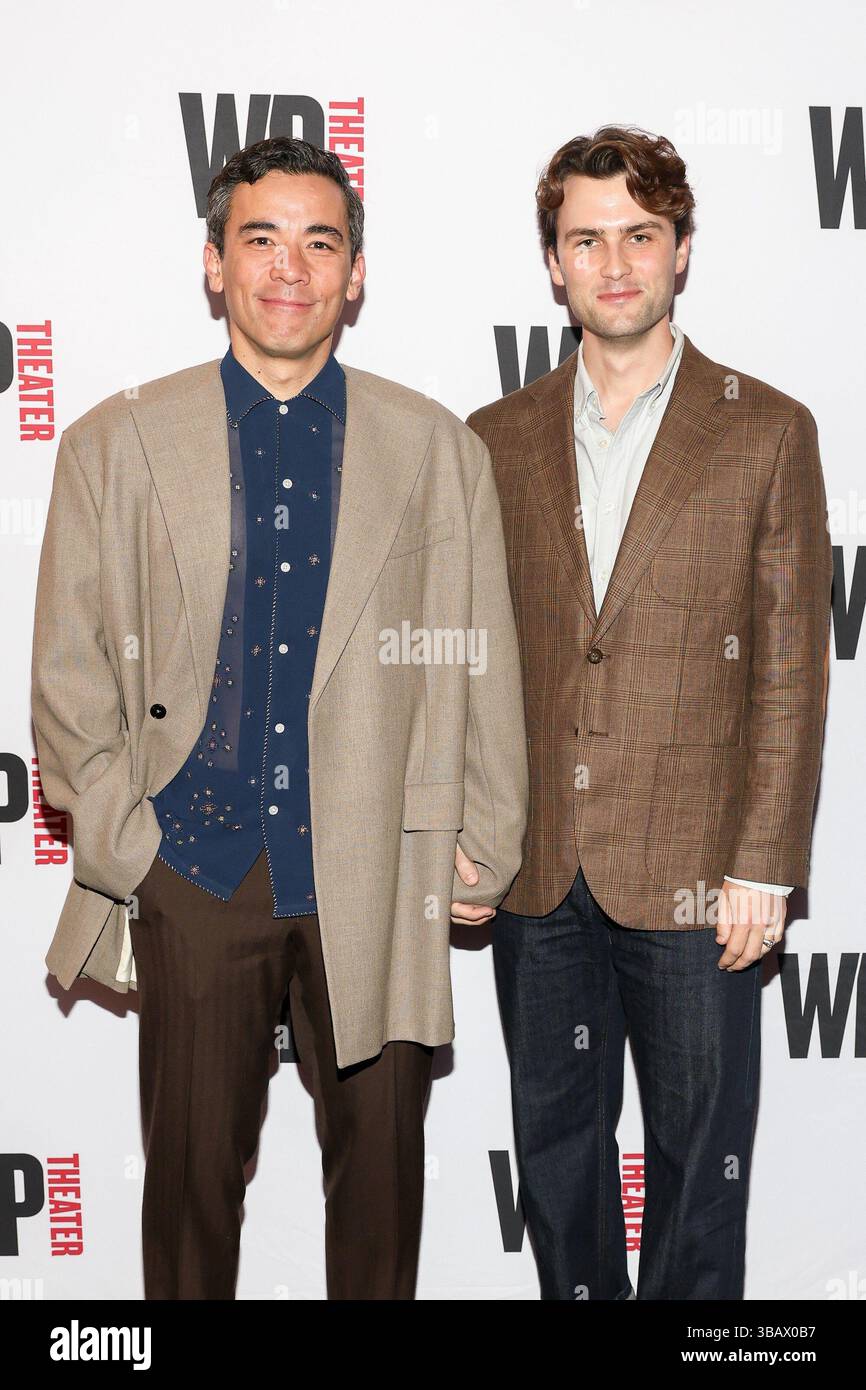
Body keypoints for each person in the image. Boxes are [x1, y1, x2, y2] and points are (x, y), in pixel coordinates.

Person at [31, 136, 527, 1300]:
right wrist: (128, 840)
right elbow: (67, 672)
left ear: (355, 273)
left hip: (384, 868)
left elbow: (479, 653)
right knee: (192, 1190)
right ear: (214, 264)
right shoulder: (115, 442)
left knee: (380, 1197)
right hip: (197, 869)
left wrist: (485, 835)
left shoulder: (437, 450)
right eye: (259, 239)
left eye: (321, 242)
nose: (289, 268)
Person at [466, 124, 832, 1300]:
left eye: (639, 235)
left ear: (679, 251)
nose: (613, 261)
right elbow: (472, 665)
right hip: (537, 877)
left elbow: (787, 664)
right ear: (552, 262)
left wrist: (762, 863)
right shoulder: (492, 439)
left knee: (697, 1169)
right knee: (556, 1163)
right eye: (586, 238)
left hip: (697, 878)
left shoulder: (765, 428)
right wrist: (467, 832)